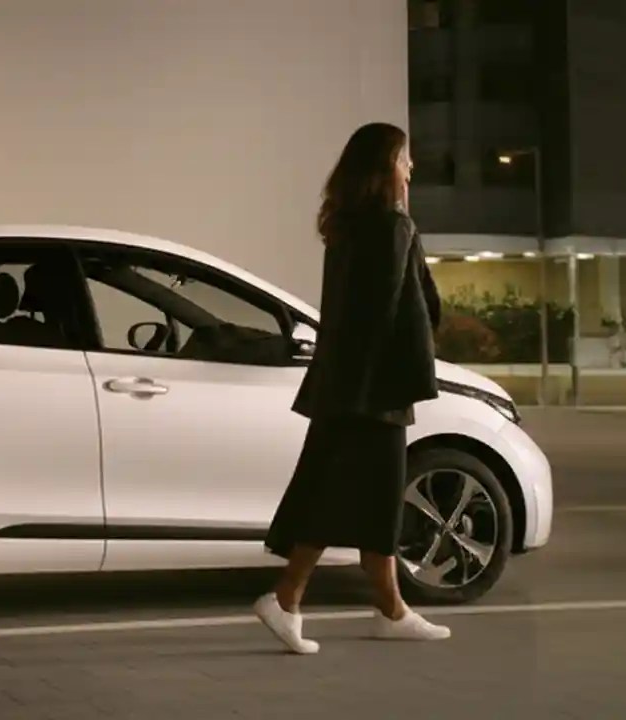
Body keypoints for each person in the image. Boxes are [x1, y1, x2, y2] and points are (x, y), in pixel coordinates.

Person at [253, 122, 449, 653]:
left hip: (345, 386)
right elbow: (395, 311)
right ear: (386, 167)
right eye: (405, 160)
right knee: (359, 499)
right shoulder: (390, 226)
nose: (411, 169)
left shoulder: (346, 227)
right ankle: (293, 598)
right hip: (373, 393)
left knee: (345, 495)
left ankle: (379, 608)